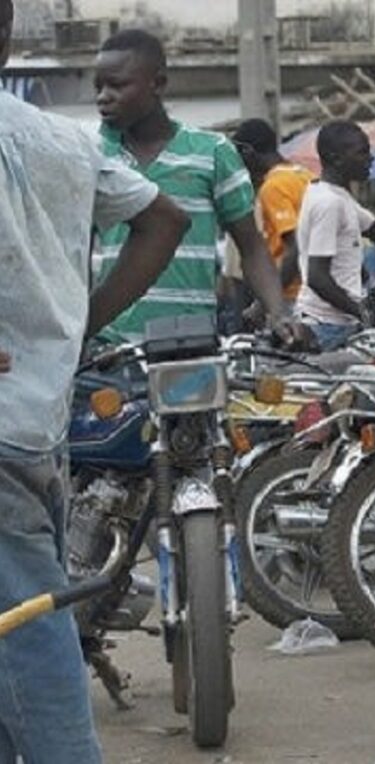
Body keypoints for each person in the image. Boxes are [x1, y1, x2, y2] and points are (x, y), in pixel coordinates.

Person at [0, 2, 188, 761]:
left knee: (26, 639)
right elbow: (162, 219)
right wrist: (72, 333)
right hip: (37, 423)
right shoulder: (59, 139)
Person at [93, 29, 294, 345]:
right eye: (99, 86)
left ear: (158, 83)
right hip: (106, 349)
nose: (103, 96)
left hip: (187, 346)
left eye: (117, 85)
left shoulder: (212, 152)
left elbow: (251, 247)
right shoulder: (89, 153)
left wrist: (280, 313)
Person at [294, 120, 375, 351]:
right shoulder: (329, 203)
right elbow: (317, 277)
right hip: (325, 325)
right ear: (336, 158)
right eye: (362, 152)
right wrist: (362, 312)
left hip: (337, 323)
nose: (371, 158)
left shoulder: (340, 198)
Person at [228, 118, 314, 306]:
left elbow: (294, 247)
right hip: (314, 292)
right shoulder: (305, 176)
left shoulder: (273, 186)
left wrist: (266, 302)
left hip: (292, 294)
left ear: (248, 152)